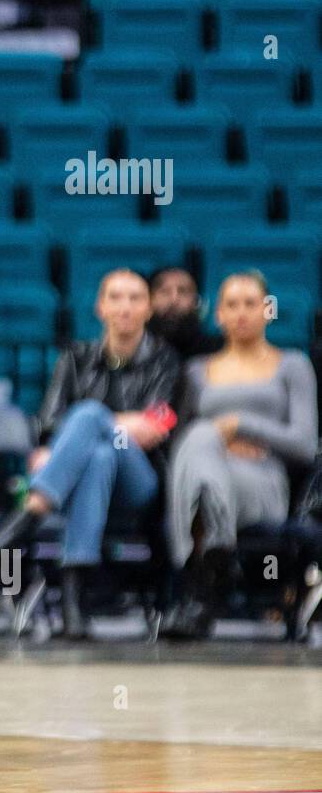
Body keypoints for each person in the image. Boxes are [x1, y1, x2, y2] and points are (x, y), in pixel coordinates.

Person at [0, 269, 180, 638]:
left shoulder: (164, 359)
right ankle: (74, 607)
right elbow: (48, 423)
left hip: (139, 481)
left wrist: (82, 433)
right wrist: (107, 429)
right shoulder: (75, 357)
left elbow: (152, 428)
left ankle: (28, 515)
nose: (125, 307)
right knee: (98, 458)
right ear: (99, 307)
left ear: (149, 308)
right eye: (116, 297)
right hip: (86, 477)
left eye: (135, 298)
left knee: (90, 417)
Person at [163, 272, 318, 639]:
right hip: (207, 475)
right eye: (232, 304)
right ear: (218, 315)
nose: (242, 312)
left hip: (263, 481)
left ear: (268, 311)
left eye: (251, 303)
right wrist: (216, 441)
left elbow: (305, 445)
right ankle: (215, 565)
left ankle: (198, 590)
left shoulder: (292, 365)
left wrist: (238, 424)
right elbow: (180, 442)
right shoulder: (196, 371)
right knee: (199, 440)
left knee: (202, 439)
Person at [148, 266, 221, 361]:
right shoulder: (135, 350)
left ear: (196, 302)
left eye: (183, 291)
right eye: (164, 291)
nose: (174, 300)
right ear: (150, 300)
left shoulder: (215, 352)